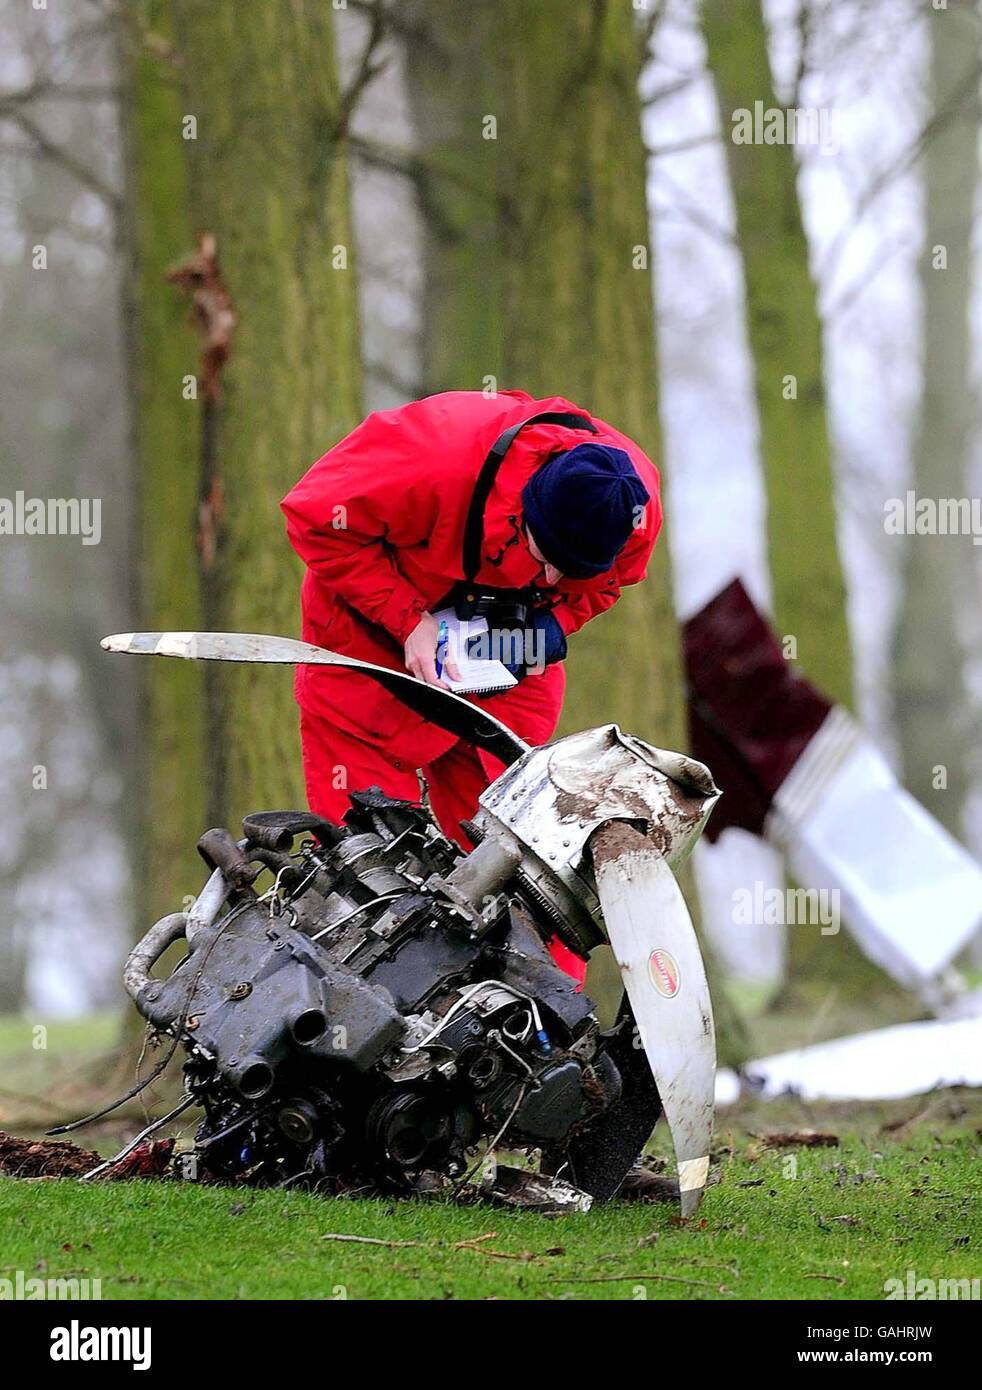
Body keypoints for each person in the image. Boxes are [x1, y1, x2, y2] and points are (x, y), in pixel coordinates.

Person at [281, 388, 661, 986]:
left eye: (572, 568)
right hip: (370, 652)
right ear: (526, 503)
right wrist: (409, 619)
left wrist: (549, 627)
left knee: (528, 851)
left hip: (500, 674)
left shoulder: (633, 511)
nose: (552, 577)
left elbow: (604, 587)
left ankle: (548, 1023)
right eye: (545, 555)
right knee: (370, 856)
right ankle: (388, 1022)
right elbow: (312, 516)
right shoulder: (431, 453)